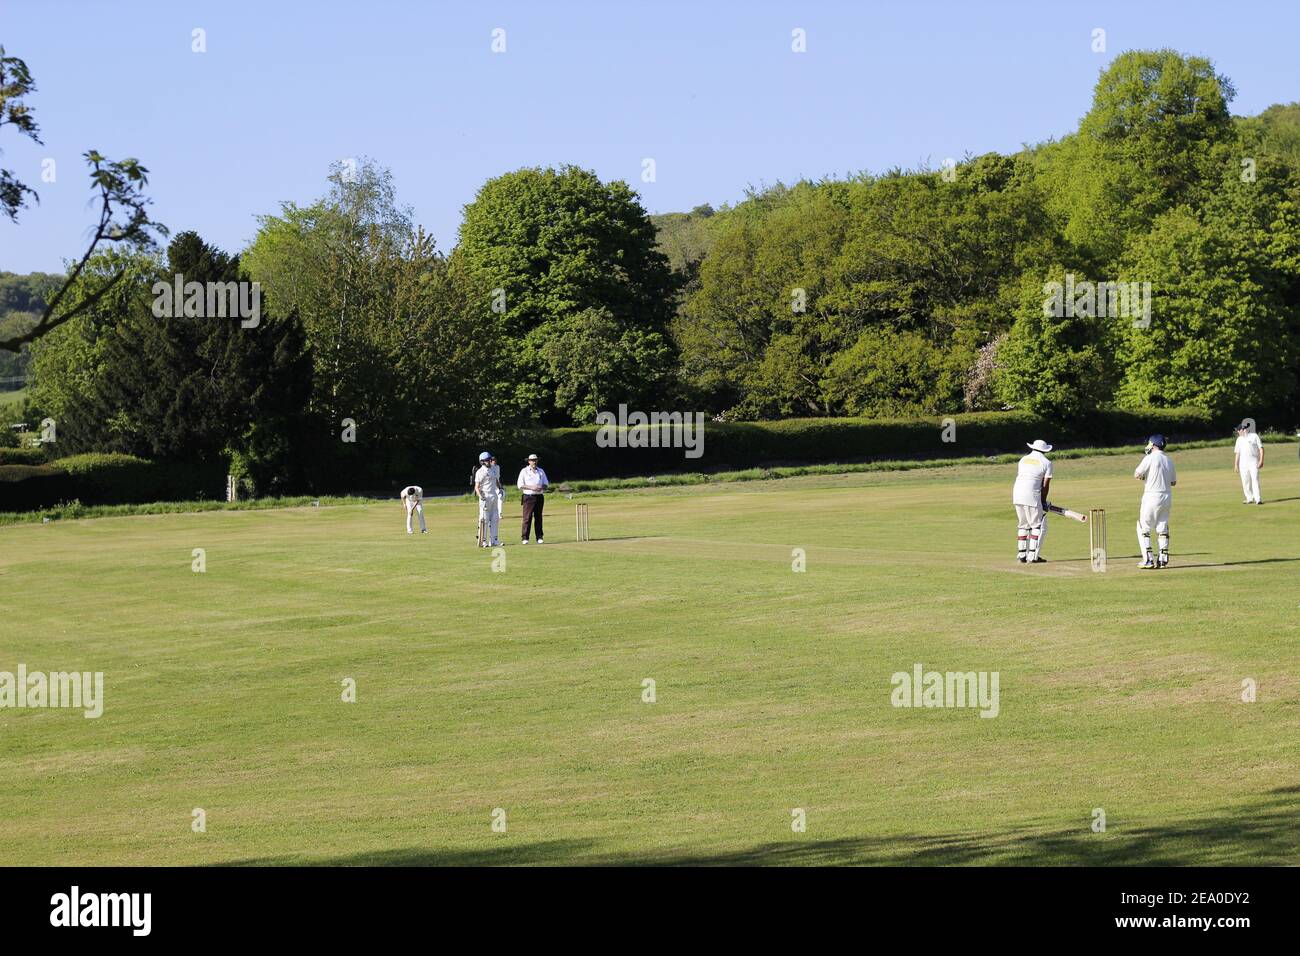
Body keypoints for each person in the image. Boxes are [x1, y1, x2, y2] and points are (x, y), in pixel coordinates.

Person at [1135, 434, 1177, 569]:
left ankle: (1148, 560)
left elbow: (1137, 474)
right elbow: (1173, 482)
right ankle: (1162, 560)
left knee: (1143, 527)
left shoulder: (1150, 458)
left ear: (1153, 445)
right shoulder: (1168, 460)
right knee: (1162, 528)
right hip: (1167, 497)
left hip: (1152, 496)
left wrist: (1144, 477)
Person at [1012, 439, 1053, 563]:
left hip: (1017, 493)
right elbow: (1045, 485)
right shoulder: (1047, 462)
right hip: (1032, 495)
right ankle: (1032, 556)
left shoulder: (1023, 459)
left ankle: (1021, 555)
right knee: (1036, 525)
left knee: (1023, 524)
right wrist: (1043, 501)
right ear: (1045, 450)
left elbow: (1024, 478)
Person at [517, 453, 549, 544]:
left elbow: (546, 484)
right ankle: (525, 538)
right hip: (528, 497)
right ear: (529, 461)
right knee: (527, 518)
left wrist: (541, 487)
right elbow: (520, 485)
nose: (534, 462)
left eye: (535, 460)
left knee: (538, 517)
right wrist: (531, 487)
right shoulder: (524, 471)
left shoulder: (541, 471)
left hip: (539, 496)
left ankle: (539, 537)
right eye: (532, 460)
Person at [473, 451, 502, 547]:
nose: (489, 462)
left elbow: (496, 480)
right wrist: (480, 496)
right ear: (482, 462)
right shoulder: (479, 472)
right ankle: (483, 540)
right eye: (487, 460)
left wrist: (500, 488)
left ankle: (494, 540)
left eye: (490, 460)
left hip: (494, 496)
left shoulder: (494, 469)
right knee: (484, 519)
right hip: (485, 497)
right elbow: (476, 487)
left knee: (495, 519)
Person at [1233, 421, 1264, 505]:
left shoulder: (1254, 436)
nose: (1237, 432)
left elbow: (1261, 448)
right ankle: (1249, 498)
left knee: (1255, 480)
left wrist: (1261, 460)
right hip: (1243, 464)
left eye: (1238, 430)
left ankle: (1258, 499)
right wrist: (1236, 465)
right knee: (1245, 481)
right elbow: (1237, 453)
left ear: (1243, 430)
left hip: (1254, 462)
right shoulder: (1239, 439)